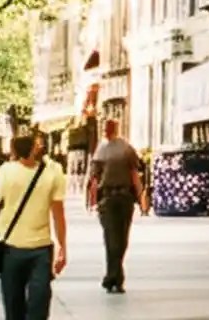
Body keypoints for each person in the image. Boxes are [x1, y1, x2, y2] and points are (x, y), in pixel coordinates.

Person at [0, 135, 68, 320]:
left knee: (39, 306)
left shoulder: (53, 171)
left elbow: (58, 214)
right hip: (10, 249)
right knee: (14, 309)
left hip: (41, 250)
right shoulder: (7, 172)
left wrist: (62, 248)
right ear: (29, 150)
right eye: (36, 144)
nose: (40, 146)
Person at [86, 119, 147, 294]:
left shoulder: (126, 149)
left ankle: (112, 277)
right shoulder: (100, 150)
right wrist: (92, 201)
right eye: (104, 127)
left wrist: (141, 197)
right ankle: (115, 278)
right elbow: (95, 179)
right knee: (112, 239)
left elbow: (134, 174)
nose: (106, 130)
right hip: (107, 198)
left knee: (122, 240)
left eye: (108, 128)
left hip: (125, 197)